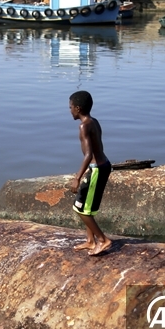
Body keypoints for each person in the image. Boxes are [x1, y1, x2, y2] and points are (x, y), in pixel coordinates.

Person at [68, 91, 112, 256]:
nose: (70, 110)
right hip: (104, 165)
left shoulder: (83, 126)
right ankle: (90, 240)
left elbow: (88, 154)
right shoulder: (93, 121)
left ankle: (102, 240)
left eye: (71, 107)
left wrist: (77, 178)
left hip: (97, 169)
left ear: (78, 108)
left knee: (80, 208)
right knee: (89, 207)